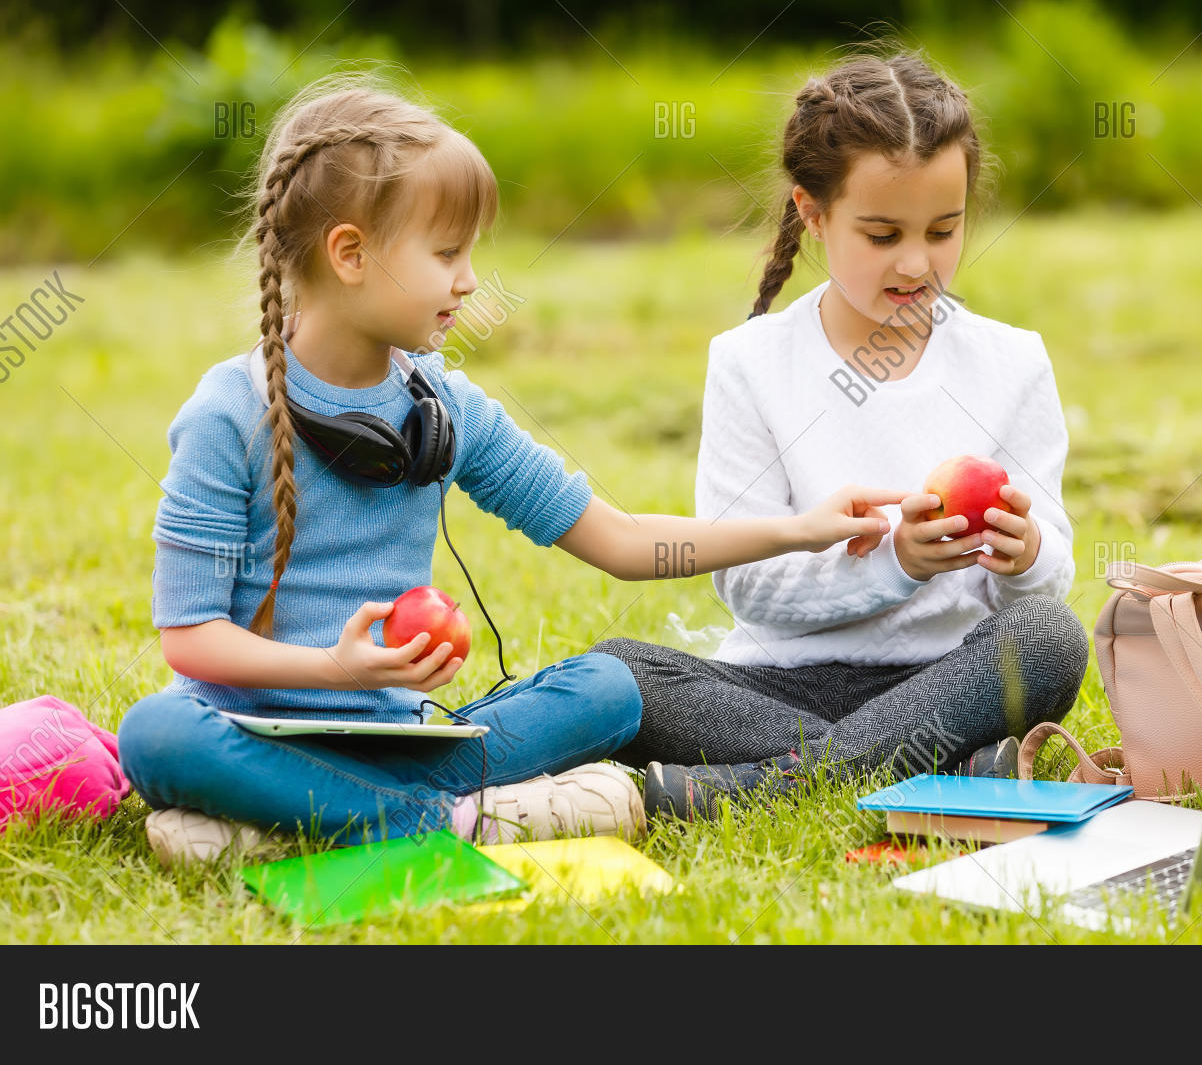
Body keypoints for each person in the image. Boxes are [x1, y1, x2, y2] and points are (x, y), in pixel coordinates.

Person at [116, 76, 903, 865]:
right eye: (447, 252)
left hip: (400, 742)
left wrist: (799, 529)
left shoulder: (444, 411)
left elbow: (624, 544)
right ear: (350, 253)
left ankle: (309, 819)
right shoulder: (228, 414)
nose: (468, 280)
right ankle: (449, 821)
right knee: (155, 734)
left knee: (610, 688)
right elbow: (191, 641)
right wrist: (330, 667)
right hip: (250, 733)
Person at [591, 51, 1090, 819]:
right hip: (782, 681)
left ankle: (756, 791)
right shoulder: (750, 363)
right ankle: (943, 767)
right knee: (615, 674)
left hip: (949, 675)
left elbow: (1047, 574)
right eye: (883, 234)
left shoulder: (1010, 362)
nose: (918, 263)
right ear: (812, 213)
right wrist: (893, 564)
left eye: (944, 230)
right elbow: (746, 584)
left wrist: (1024, 555)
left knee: (1050, 637)